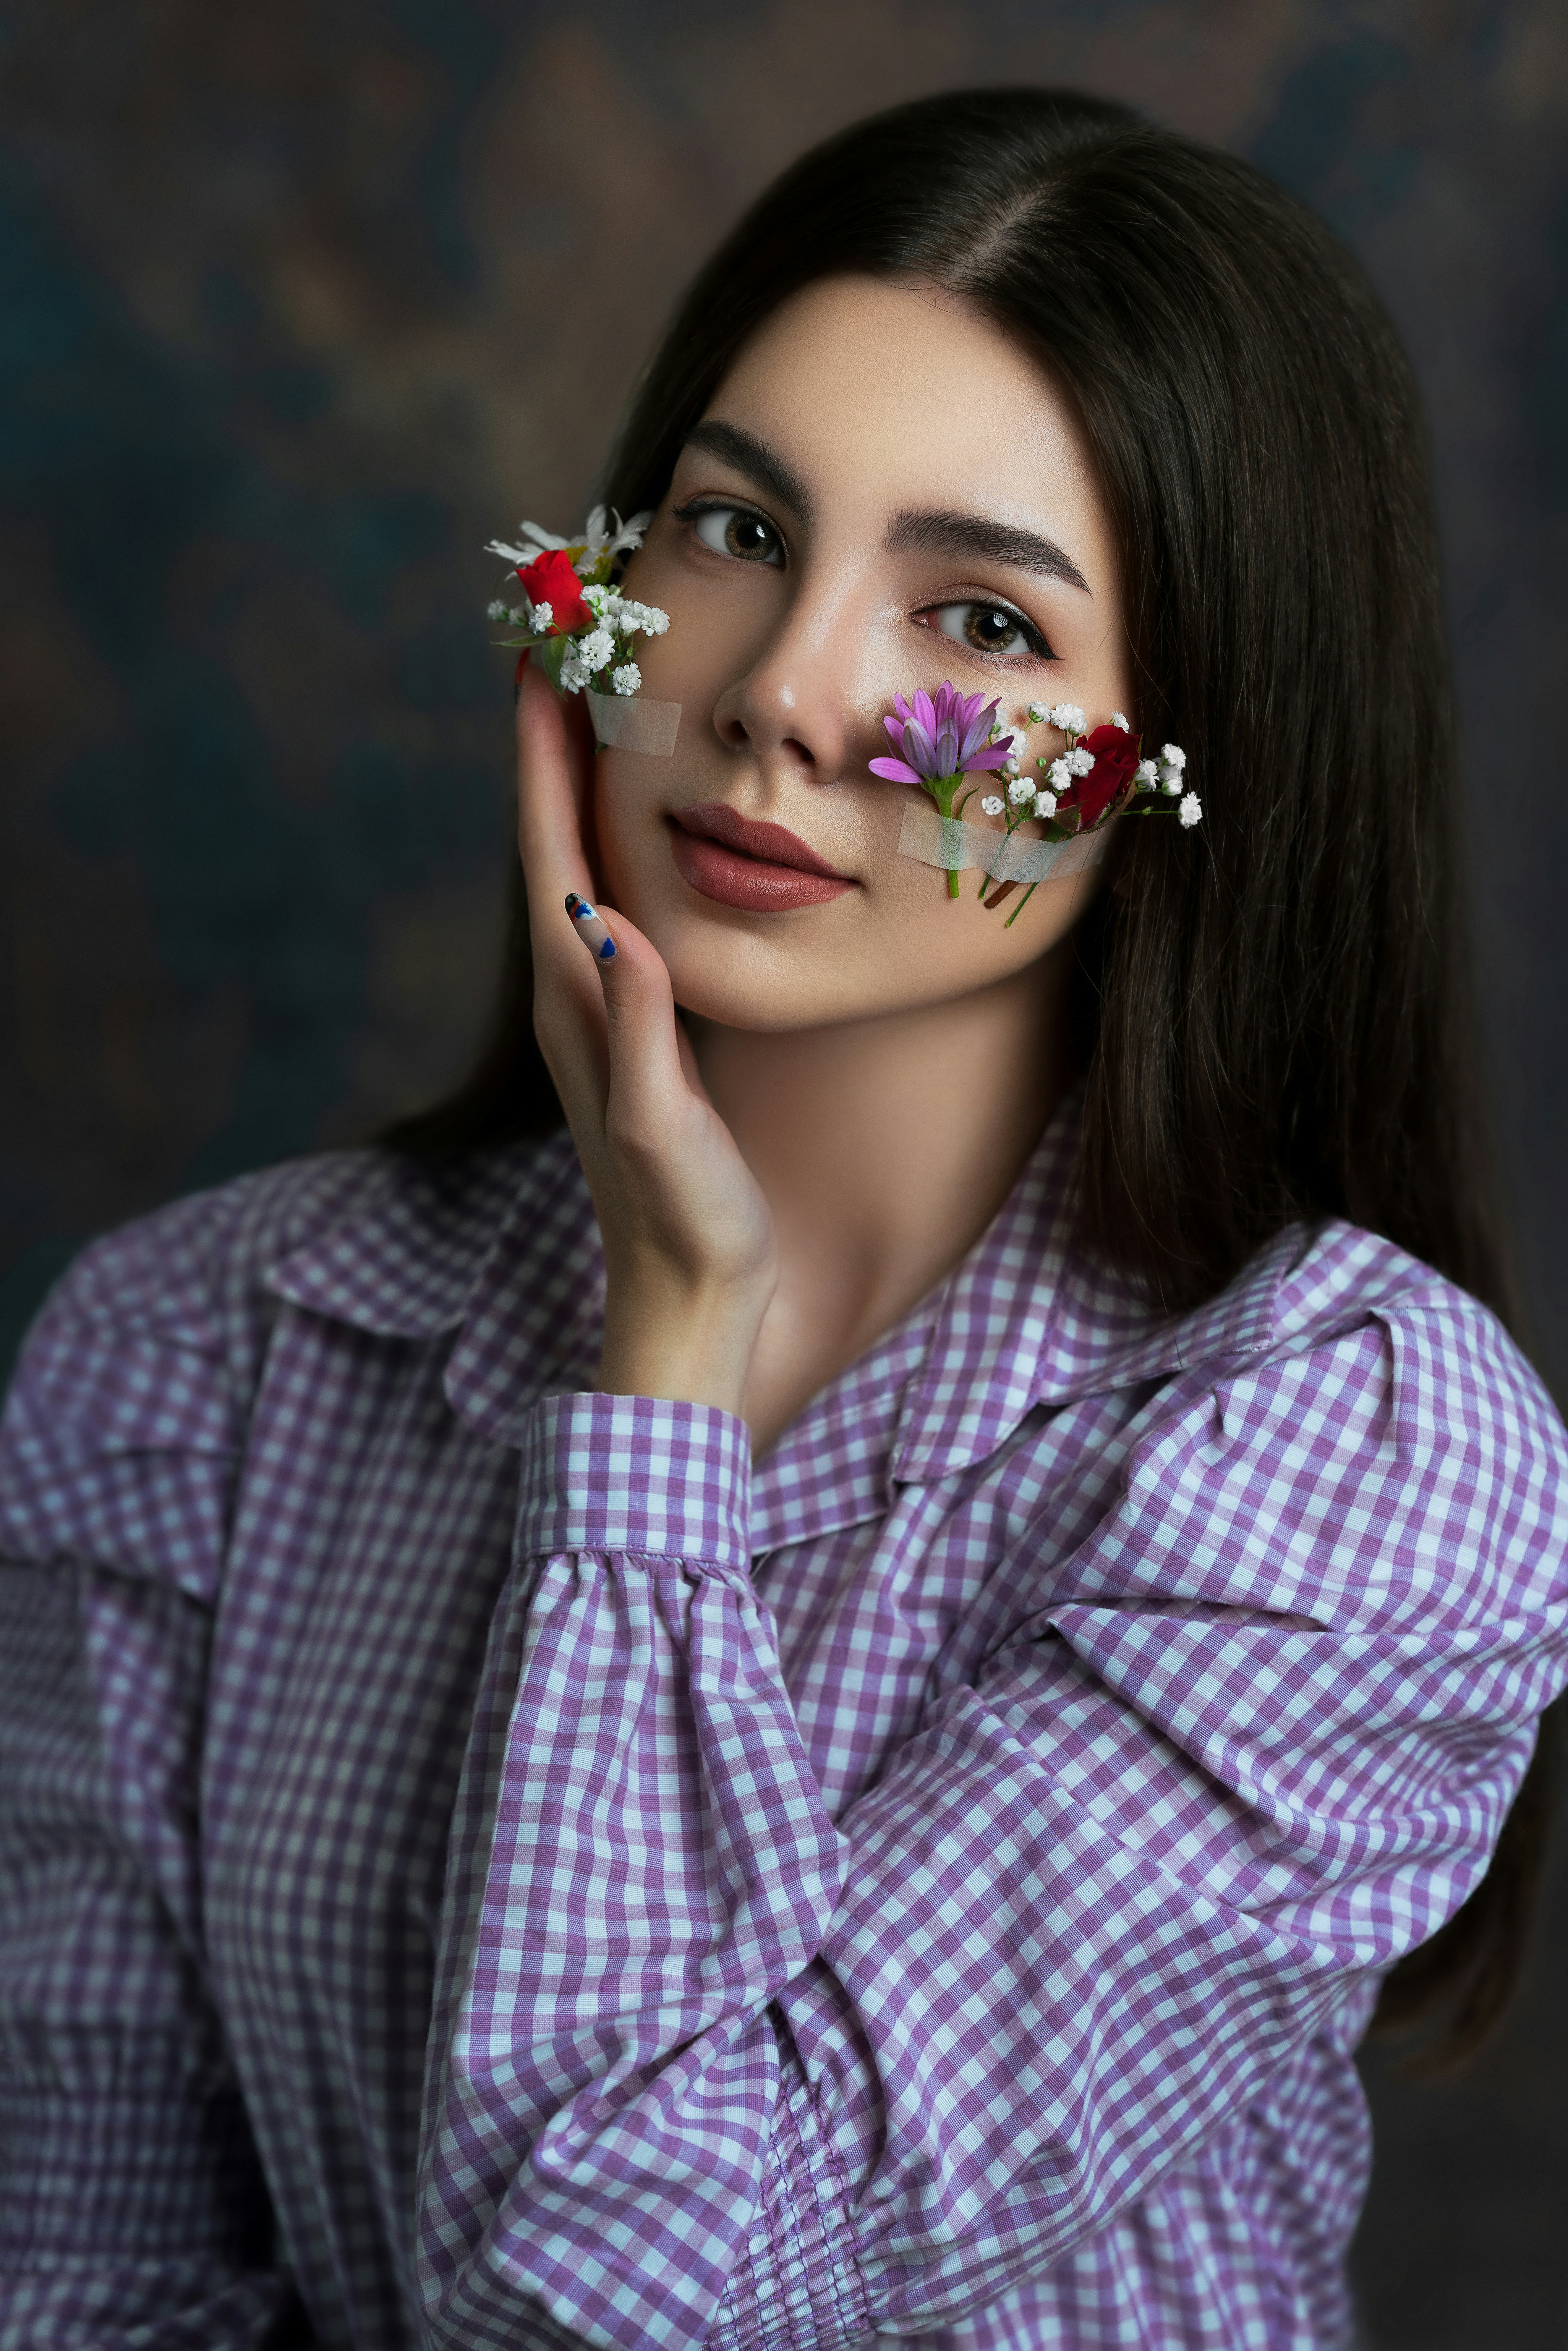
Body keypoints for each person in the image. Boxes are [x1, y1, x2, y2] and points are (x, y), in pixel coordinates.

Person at [2, 87, 1565, 2351]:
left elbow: (631, 2299)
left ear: (1199, 750)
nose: (774, 697)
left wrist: (665, 1370)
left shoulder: (1340, 1453)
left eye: (980, 620)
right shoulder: (196, 1356)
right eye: (730, 530)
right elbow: (76, 2292)